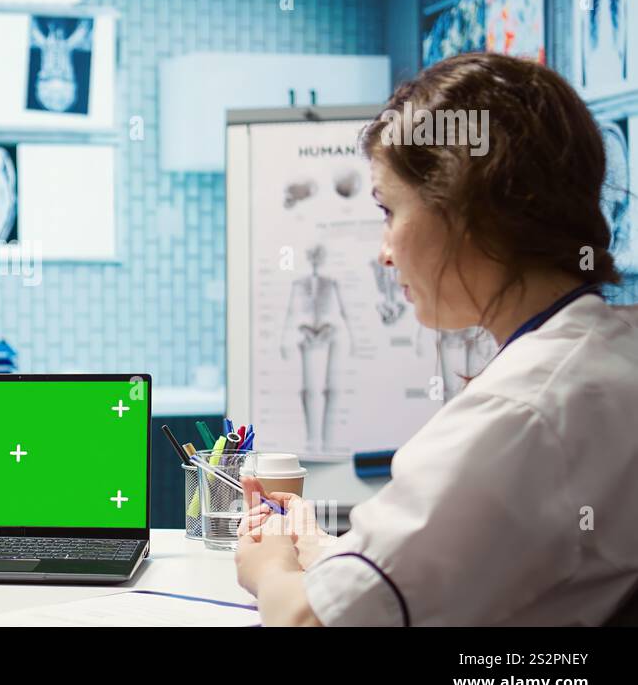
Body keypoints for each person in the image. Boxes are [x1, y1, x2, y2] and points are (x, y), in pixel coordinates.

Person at [234, 52, 638, 626]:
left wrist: (270, 568)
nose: (384, 250)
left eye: (389, 209)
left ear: (468, 211)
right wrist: (320, 546)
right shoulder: (610, 352)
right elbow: (462, 568)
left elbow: (310, 623)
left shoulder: (517, 414)